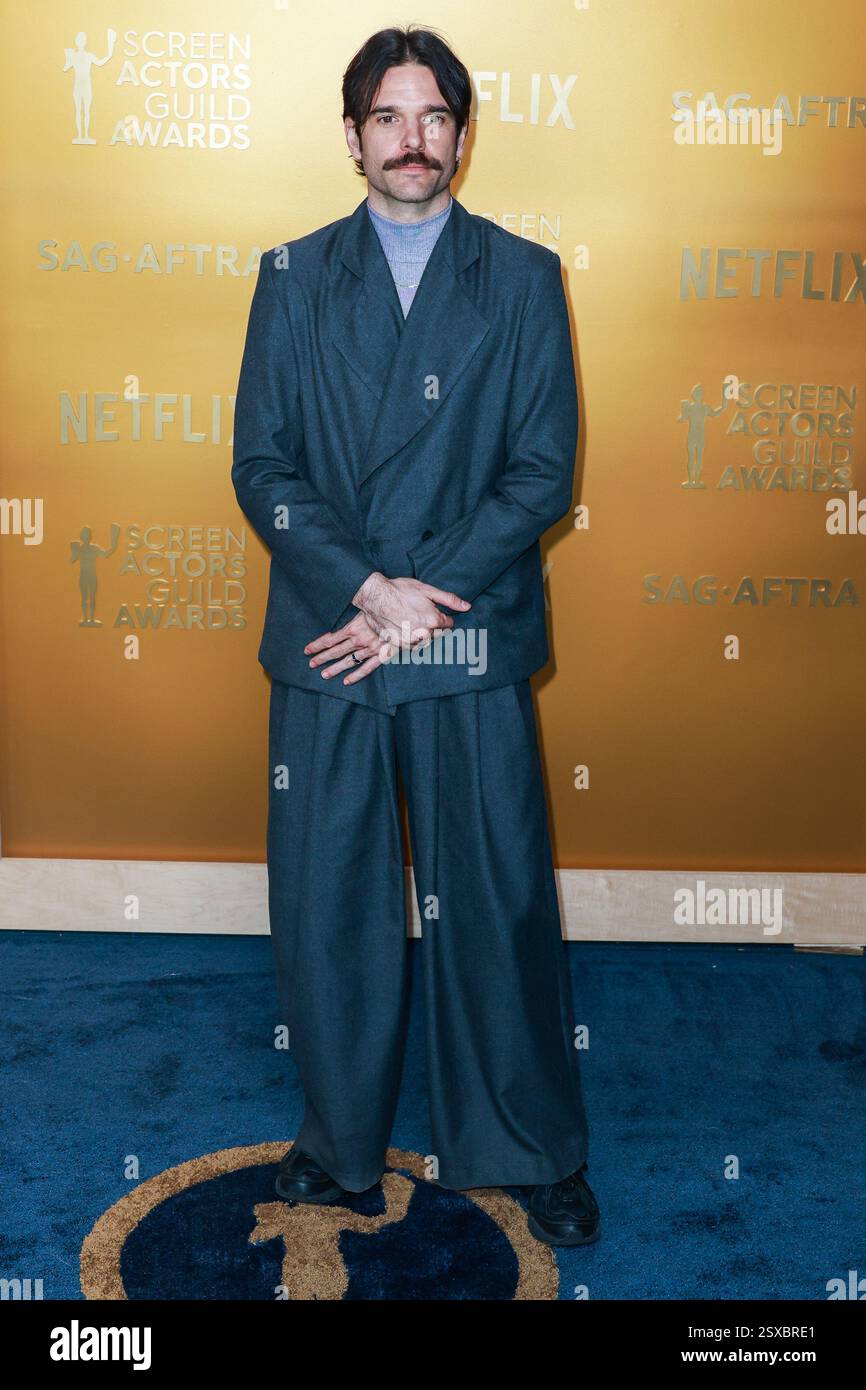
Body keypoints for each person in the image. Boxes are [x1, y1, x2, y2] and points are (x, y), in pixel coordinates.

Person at [231, 23, 600, 1248]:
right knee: (330, 902)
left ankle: (526, 1144)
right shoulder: (288, 277)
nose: (411, 139)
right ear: (351, 136)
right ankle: (339, 1148)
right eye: (386, 117)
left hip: (457, 627)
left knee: (489, 896)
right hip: (337, 634)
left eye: (433, 115)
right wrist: (364, 590)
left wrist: (416, 593)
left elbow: (541, 473)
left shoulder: (524, 274)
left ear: (460, 133)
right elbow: (262, 465)